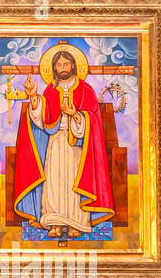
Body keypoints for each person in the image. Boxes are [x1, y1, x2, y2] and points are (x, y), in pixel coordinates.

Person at [12, 42, 115, 239]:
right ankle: (55, 223)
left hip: (78, 147)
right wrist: (34, 96)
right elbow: (40, 120)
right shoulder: (50, 91)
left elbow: (93, 119)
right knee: (54, 183)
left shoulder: (86, 90)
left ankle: (76, 223)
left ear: (73, 66)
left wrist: (75, 114)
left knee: (75, 184)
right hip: (56, 142)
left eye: (66, 65)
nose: (62, 69)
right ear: (54, 68)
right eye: (59, 65)